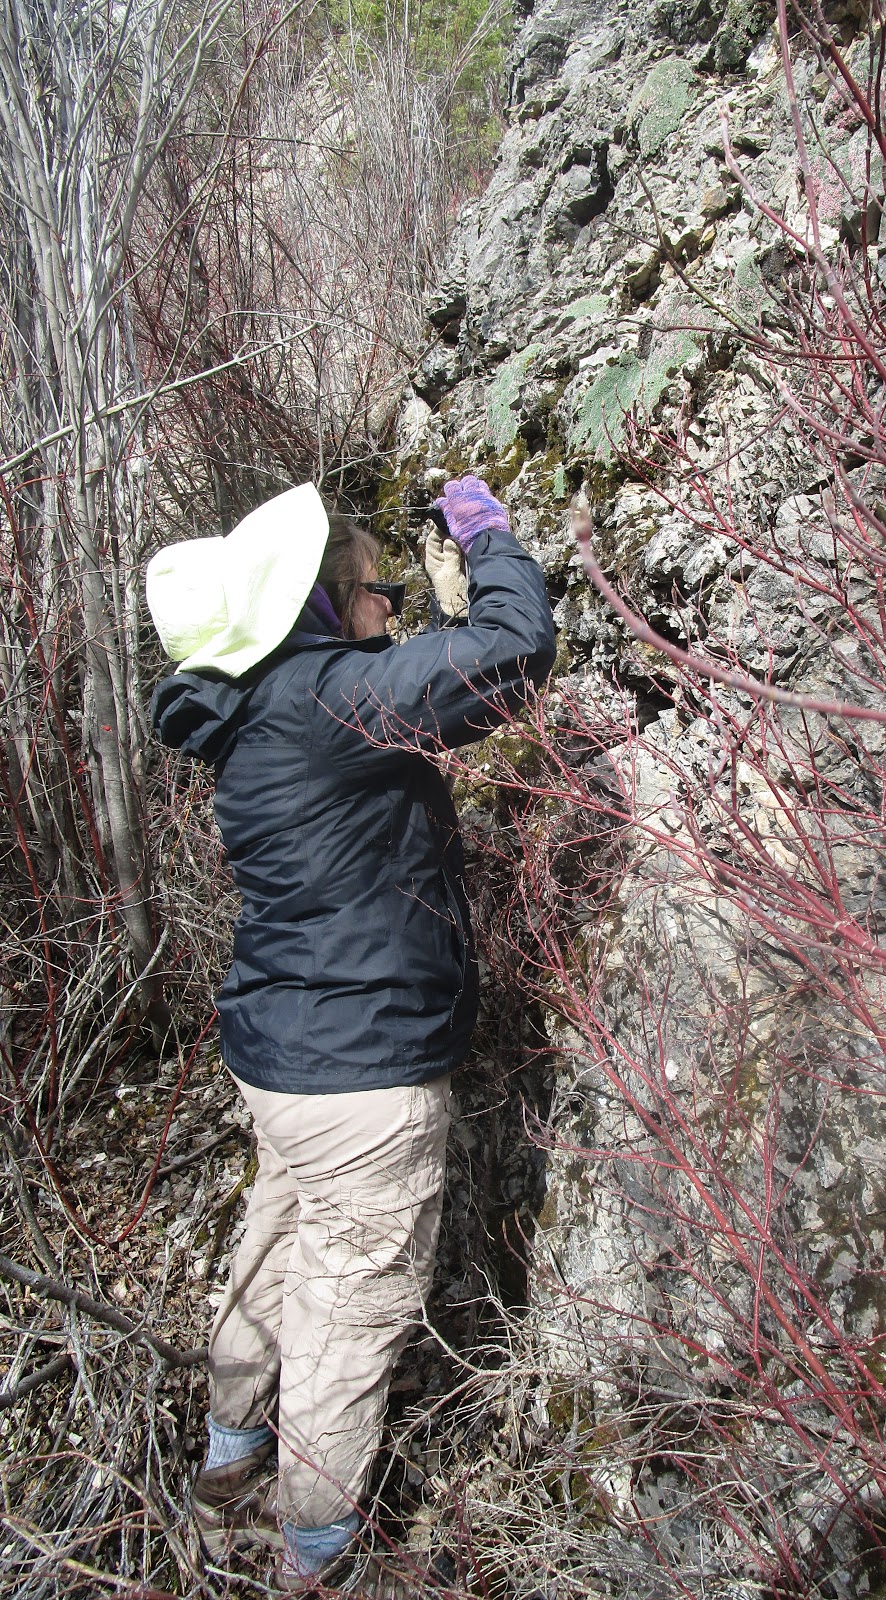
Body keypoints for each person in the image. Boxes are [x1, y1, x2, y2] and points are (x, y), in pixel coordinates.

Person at [146, 477, 556, 1592]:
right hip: (362, 1078)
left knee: (277, 1238)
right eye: (376, 589)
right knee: (351, 1305)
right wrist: (489, 537)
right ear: (323, 611)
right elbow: (513, 653)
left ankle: (231, 1456)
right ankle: (318, 1555)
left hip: (282, 1054)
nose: (388, 606)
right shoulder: (332, 700)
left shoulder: (254, 714)